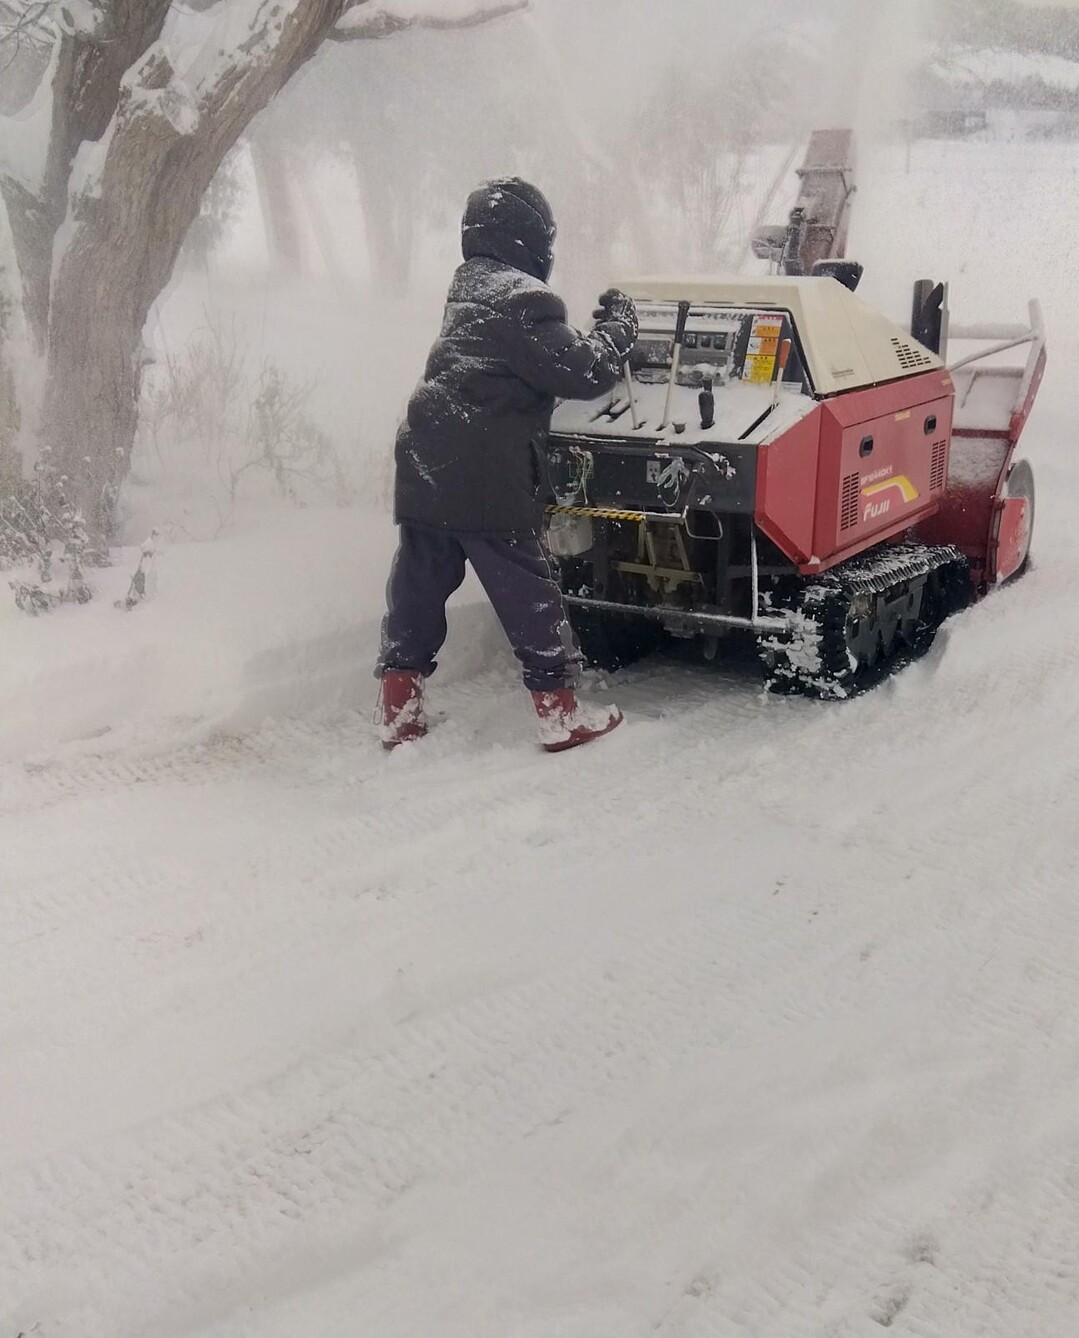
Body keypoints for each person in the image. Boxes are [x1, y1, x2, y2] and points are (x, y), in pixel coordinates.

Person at [376, 177, 638, 753]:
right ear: (529, 238)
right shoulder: (523, 300)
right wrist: (621, 329)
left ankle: (400, 711)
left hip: (426, 460)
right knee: (530, 597)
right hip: (485, 476)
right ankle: (559, 715)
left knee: (417, 588)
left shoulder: (467, 288)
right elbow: (584, 372)